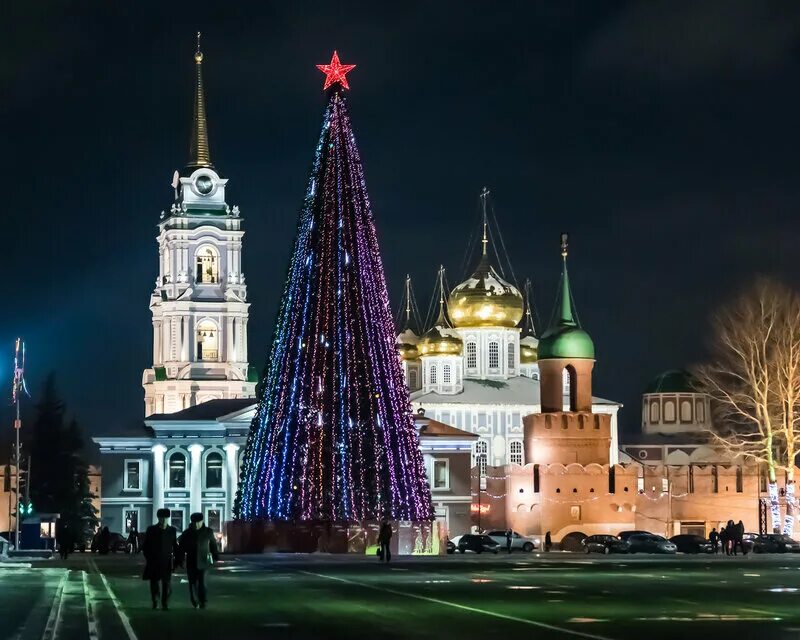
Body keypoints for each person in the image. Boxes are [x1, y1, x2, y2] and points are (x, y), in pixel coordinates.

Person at [178, 513, 219, 609]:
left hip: (204, 561)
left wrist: (215, 555)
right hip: (191, 561)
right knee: (192, 582)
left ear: (202, 521)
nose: (196, 524)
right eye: (194, 522)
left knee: (202, 582)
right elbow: (181, 548)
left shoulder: (208, 531)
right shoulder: (187, 533)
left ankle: (203, 601)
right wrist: (180, 559)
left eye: (198, 522)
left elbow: (213, 545)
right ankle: (194, 600)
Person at [143, 508, 179, 610]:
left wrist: (177, 560)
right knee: (154, 583)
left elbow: (174, 546)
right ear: (158, 518)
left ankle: (165, 602)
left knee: (166, 584)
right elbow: (146, 546)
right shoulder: (151, 530)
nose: (163, 520)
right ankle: (155, 600)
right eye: (162, 518)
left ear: (168, 518)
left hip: (167, 562)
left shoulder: (172, 530)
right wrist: (149, 558)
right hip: (154, 561)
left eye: (165, 518)